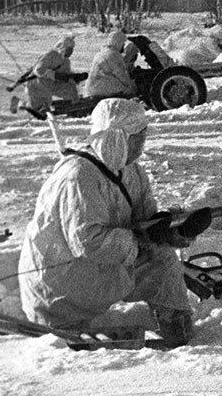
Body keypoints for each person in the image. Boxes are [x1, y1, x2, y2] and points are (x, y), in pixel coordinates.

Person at [18, 98, 194, 347]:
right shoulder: (78, 177)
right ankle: (70, 328)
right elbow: (88, 242)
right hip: (62, 283)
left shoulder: (132, 170)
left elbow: (145, 220)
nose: (143, 145)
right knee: (71, 328)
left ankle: (176, 330)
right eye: (138, 138)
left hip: (97, 269)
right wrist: (138, 240)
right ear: (117, 138)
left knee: (163, 261)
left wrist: (169, 228)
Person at [17, 35, 79, 115]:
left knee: (70, 87)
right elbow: (39, 71)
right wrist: (55, 75)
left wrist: (74, 77)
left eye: (72, 50)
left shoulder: (66, 62)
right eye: (69, 49)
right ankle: (25, 105)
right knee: (40, 109)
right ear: (63, 48)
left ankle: (72, 105)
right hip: (37, 84)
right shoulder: (50, 55)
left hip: (50, 85)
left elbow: (65, 76)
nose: (71, 52)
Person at [86, 30, 137, 99]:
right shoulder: (113, 55)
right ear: (118, 43)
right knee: (127, 89)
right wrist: (133, 88)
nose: (123, 46)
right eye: (123, 44)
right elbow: (122, 75)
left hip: (92, 87)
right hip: (100, 87)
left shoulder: (103, 52)